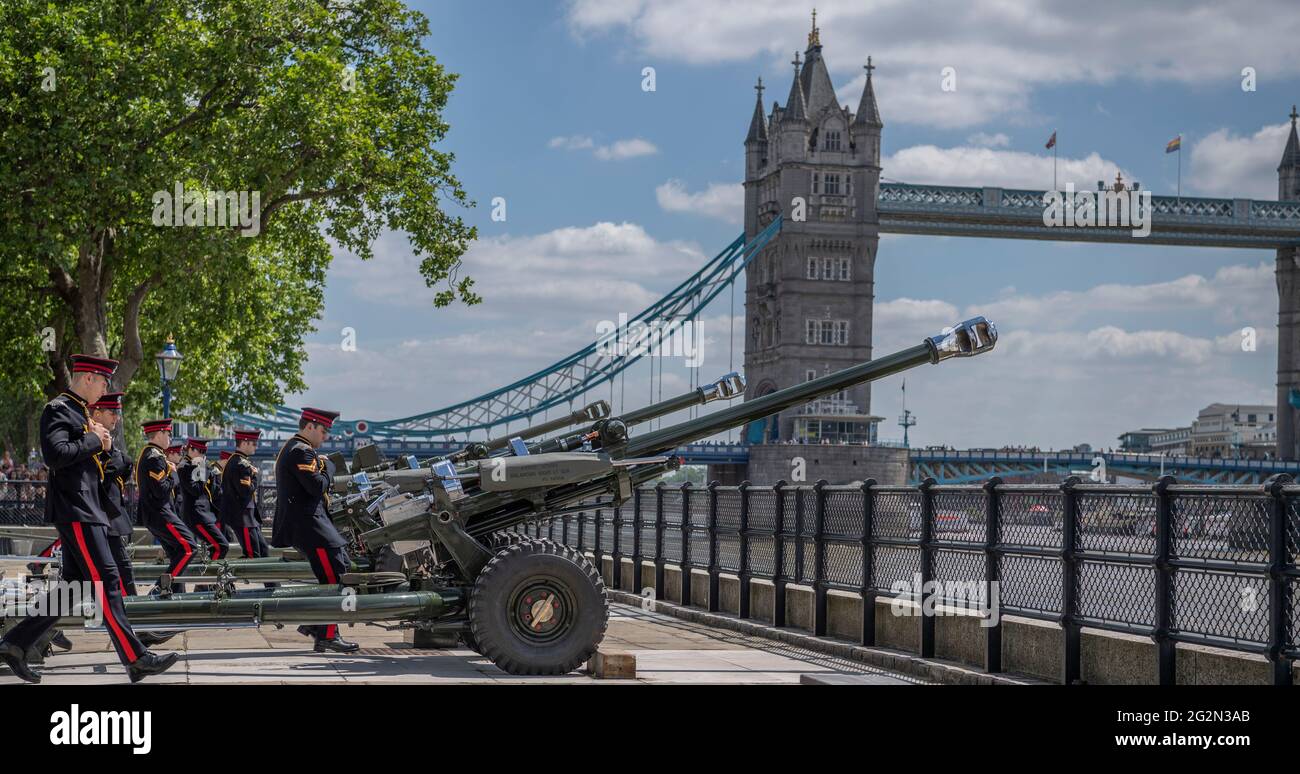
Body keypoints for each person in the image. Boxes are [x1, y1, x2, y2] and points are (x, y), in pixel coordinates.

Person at [0, 354, 177, 683]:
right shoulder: (59, 409)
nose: (106, 388)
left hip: (86, 509)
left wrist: (101, 444)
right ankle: (136, 658)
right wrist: (95, 439)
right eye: (104, 381)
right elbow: (56, 456)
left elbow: (88, 462)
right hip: (77, 510)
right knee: (108, 580)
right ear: (88, 378)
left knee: (74, 587)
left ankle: (14, 643)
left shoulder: (78, 412)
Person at [272, 408, 358, 653]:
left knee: (341, 565)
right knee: (334, 578)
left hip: (314, 524)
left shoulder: (299, 449)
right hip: (310, 526)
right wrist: (329, 467)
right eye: (323, 430)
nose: (325, 436)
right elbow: (316, 486)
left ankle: (316, 624)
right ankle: (327, 636)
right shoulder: (301, 451)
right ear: (309, 427)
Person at [137, 420, 197, 594]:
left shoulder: (154, 455)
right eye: (167, 433)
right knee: (189, 547)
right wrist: (174, 474)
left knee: (177, 552)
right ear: (158, 434)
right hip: (160, 513)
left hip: (159, 513)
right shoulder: (154, 457)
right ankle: (159, 590)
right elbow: (160, 489)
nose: (170, 437)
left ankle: (177, 594)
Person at [222, 430, 267, 559]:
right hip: (243, 517)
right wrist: (255, 477)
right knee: (253, 555)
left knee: (263, 551)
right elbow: (246, 491)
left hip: (248, 517)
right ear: (244, 443)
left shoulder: (239, 461)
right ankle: (229, 574)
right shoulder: (241, 464)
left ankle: (271, 579)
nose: (255, 446)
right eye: (253, 443)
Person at [178, 438, 226, 561]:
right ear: (191, 450)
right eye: (200, 451)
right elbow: (196, 490)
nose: (203, 455)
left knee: (215, 547)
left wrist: (215, 476)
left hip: (206, 514)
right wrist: (202, 468)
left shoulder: (199, 466)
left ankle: (207, 578)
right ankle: (211, 577)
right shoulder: (185, 467)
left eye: (204, 452)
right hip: (196, 515)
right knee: (221, 546)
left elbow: (214, 493)